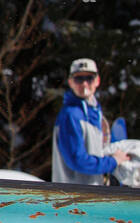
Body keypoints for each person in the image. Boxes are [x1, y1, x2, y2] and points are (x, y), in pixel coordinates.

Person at [53, 58, 131, 186]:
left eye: (89, 78)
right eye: (79, 79)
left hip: (93, 194)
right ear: (70, 82)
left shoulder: (95, 114)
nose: (84, 84)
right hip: (72, 198)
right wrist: (113, 161)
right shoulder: (70, 115)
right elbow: (77, 160)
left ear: (97, 81)